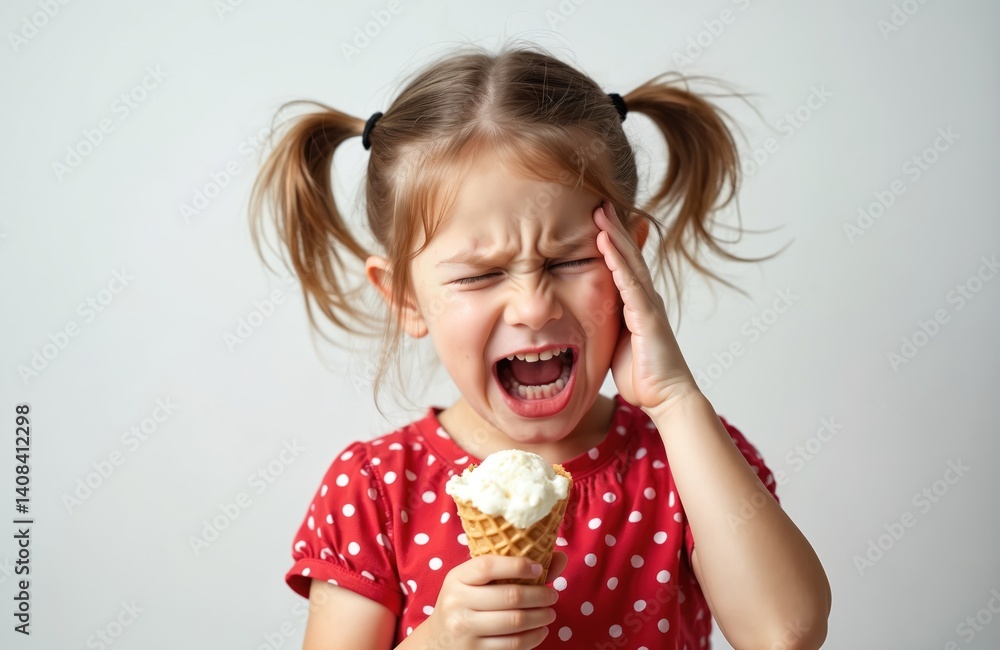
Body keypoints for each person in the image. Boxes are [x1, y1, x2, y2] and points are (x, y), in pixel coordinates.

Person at [248, 41, 831, 650]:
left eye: (571, 258)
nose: (533, 307)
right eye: (479, 274)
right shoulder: (373, 490)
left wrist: (676, 400)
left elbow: (784, 633)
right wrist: (443, 641)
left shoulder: (686, 460)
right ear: (406, 299)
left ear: (629, 256)